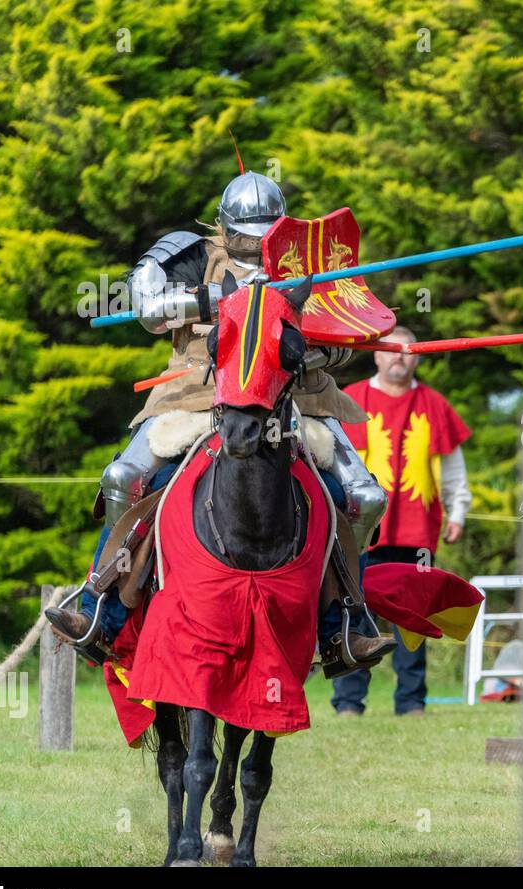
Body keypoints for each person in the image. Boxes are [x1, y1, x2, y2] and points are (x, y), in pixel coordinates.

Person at [46, 169, 392, 667]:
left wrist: (303, 353)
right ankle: (101, 612)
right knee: (124, 476)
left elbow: (347, 338)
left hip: (295, 396)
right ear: (223, 225)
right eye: (243, 235)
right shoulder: (190, 254)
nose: (253, 245)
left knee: (365, 496)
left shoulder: (309, 262)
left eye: (263, 234)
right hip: (196, 392)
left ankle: (342, 629)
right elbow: (145, 307)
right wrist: (211, 299)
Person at [331, 325, 473, 716]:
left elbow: (452, 468)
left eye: (408, 351)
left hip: (416, 530)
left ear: (419, 357)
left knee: (414, 618)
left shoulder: (434, 404)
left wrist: (457, 509)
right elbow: (332, 463)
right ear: (376, 355)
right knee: (352, 612)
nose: (399, 357)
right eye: (391, 350)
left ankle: (411, 703)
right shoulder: (350, 400)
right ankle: (348, 703)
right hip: (357, 530)